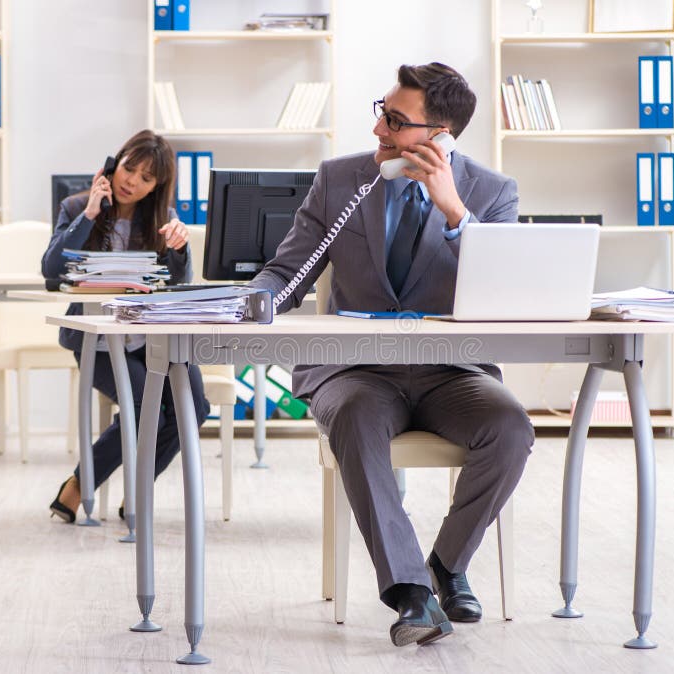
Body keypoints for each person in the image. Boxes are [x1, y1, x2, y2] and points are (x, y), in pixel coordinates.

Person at [250, 63, 534, 647]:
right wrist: (252, 298)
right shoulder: (341, 179)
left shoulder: (491, 192)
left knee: (509, 426)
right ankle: (411, 594)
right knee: (355, 416)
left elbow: (509, 293)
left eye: (397, 120)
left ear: (440, 137)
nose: (379, 127)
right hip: (356, 370)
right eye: (381, 110)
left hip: (451, 373)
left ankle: (447, 566)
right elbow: (287, 272)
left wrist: (456, 212)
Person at [42, 129, 210, 523]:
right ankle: (81, 486)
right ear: (114, 164)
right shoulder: (77, 206)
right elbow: (51, 270)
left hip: (149, 337)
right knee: (139, 406)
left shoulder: (161, 220)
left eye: (145, 178)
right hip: (96, 339)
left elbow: (176, 286)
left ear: (157, 187)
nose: (131, 181)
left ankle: (136, 490)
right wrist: (90, 215)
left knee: (194, 407)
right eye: (128, 168)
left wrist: (181, 251)